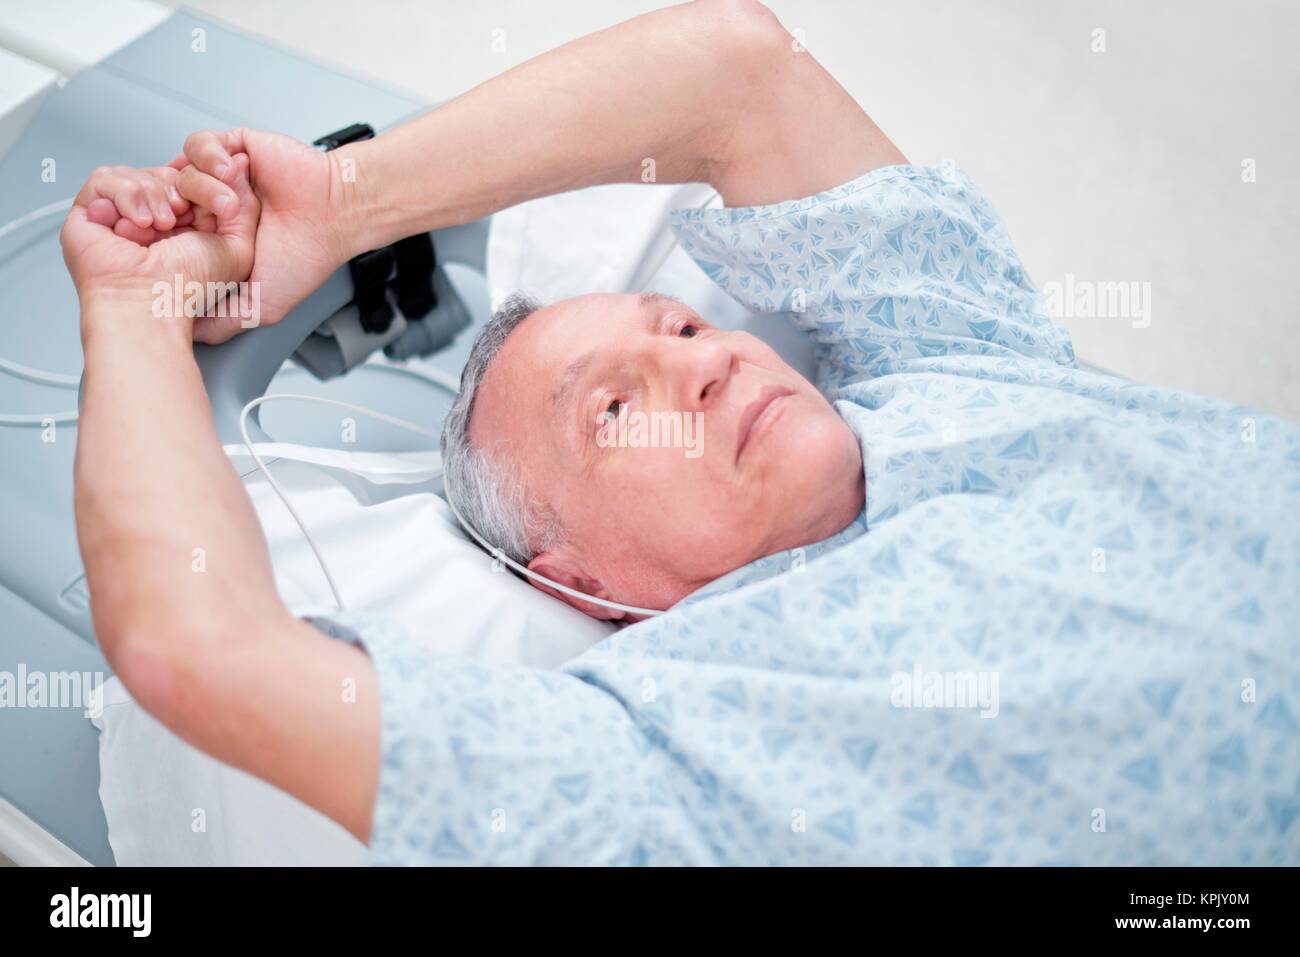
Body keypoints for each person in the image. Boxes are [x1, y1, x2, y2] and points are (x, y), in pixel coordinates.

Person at [65, 0, 1299, 864]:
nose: (702, 368)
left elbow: (735, 64)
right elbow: (197, 648)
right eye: (614, 408)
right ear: (576, 579)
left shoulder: (956, 356)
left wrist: (338, 206)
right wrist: (131, 309)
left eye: (681, 331)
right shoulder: (661, 757)